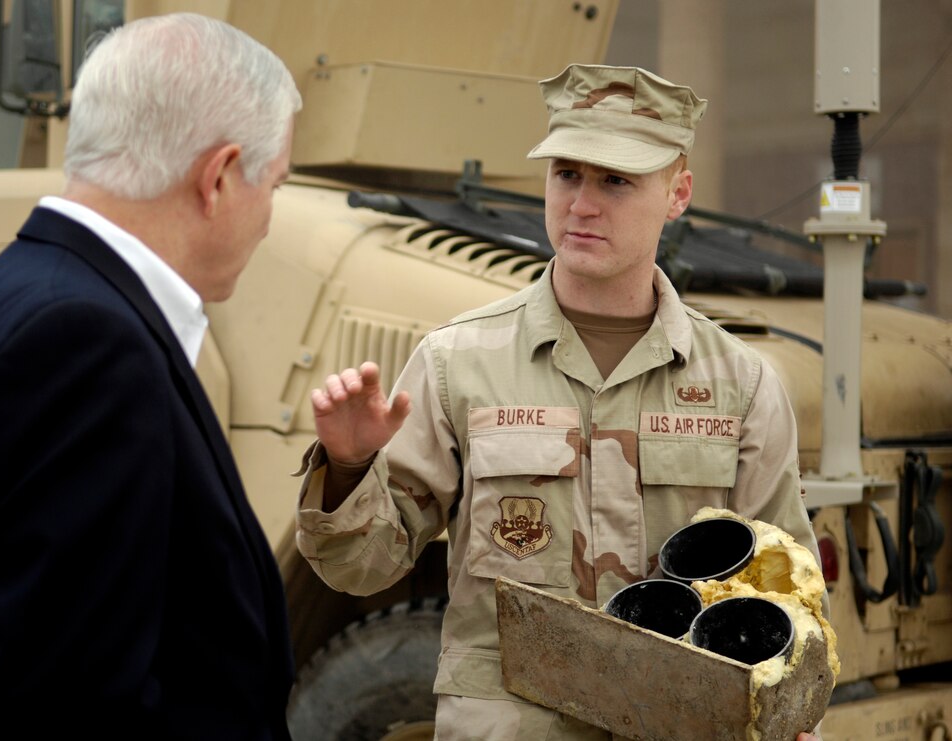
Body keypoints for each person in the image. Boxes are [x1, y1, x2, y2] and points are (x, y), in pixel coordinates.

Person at [295, 65, 824, 740]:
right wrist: (346, 468)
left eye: (616, 180)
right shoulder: (460, 362)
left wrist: (789, 704)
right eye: (566, 174)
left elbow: (787, 591)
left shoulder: (740, 383)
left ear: (678, 192)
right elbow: (362, 566)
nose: (581, 203)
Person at [0, 13, 300, 741]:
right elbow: (71, 706)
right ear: (217, 177)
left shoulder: (10, 292)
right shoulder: (85, 344)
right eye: (273, 183)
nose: (270, 218)